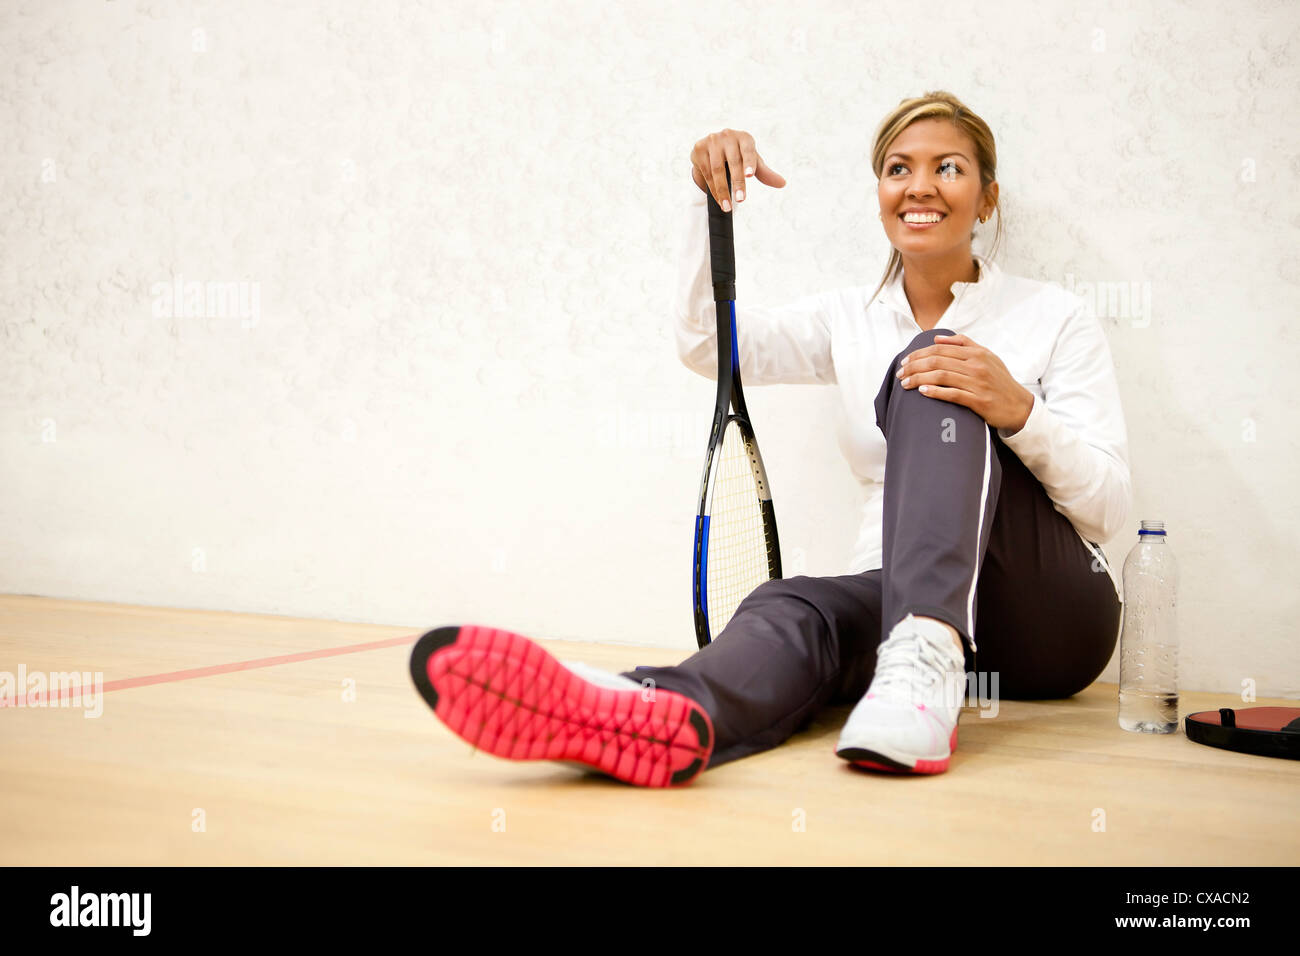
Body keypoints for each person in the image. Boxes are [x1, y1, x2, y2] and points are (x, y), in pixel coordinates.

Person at [410, 91, 1131, 788]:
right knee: (793, 607)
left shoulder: (1054, 315)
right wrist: (708, 202)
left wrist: (1017, 410)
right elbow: (707, 346)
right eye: (899, 167)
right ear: (879, 191)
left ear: (988, 197)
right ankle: (660, 709)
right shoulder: (847, 318)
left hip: (1048, 619)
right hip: (900, 605)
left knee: (936, 361)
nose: (922, 185)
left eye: (949, 167)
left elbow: (1106, 508)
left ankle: (925, 658)